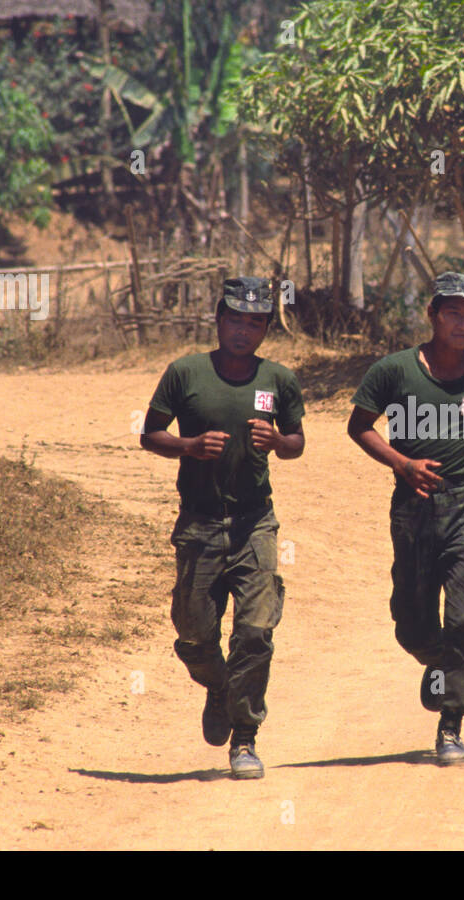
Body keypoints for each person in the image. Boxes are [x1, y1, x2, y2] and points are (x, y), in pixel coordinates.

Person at [347, 272, 464, 766]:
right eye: (454, 313)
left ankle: (451, 723)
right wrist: (402, 464)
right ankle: (447, 663)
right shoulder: (394, 371)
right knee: (412, 626)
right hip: (413, 507)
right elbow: (359, 427)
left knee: (463, 611)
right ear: (432, 315)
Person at [139, 277, 305, 780]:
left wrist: (277, 440)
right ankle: (219, 686)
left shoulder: (279, 379)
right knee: (194, 636)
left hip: (256, 523)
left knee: (255, 633)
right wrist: (187, 447)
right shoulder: (186, 373)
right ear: (218, 320)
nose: (243, 331)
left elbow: (298, 442)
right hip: (199, 524)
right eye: (236, 320)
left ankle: (246, 738)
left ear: (265, 329)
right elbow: (150, 434)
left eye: (255, 323)